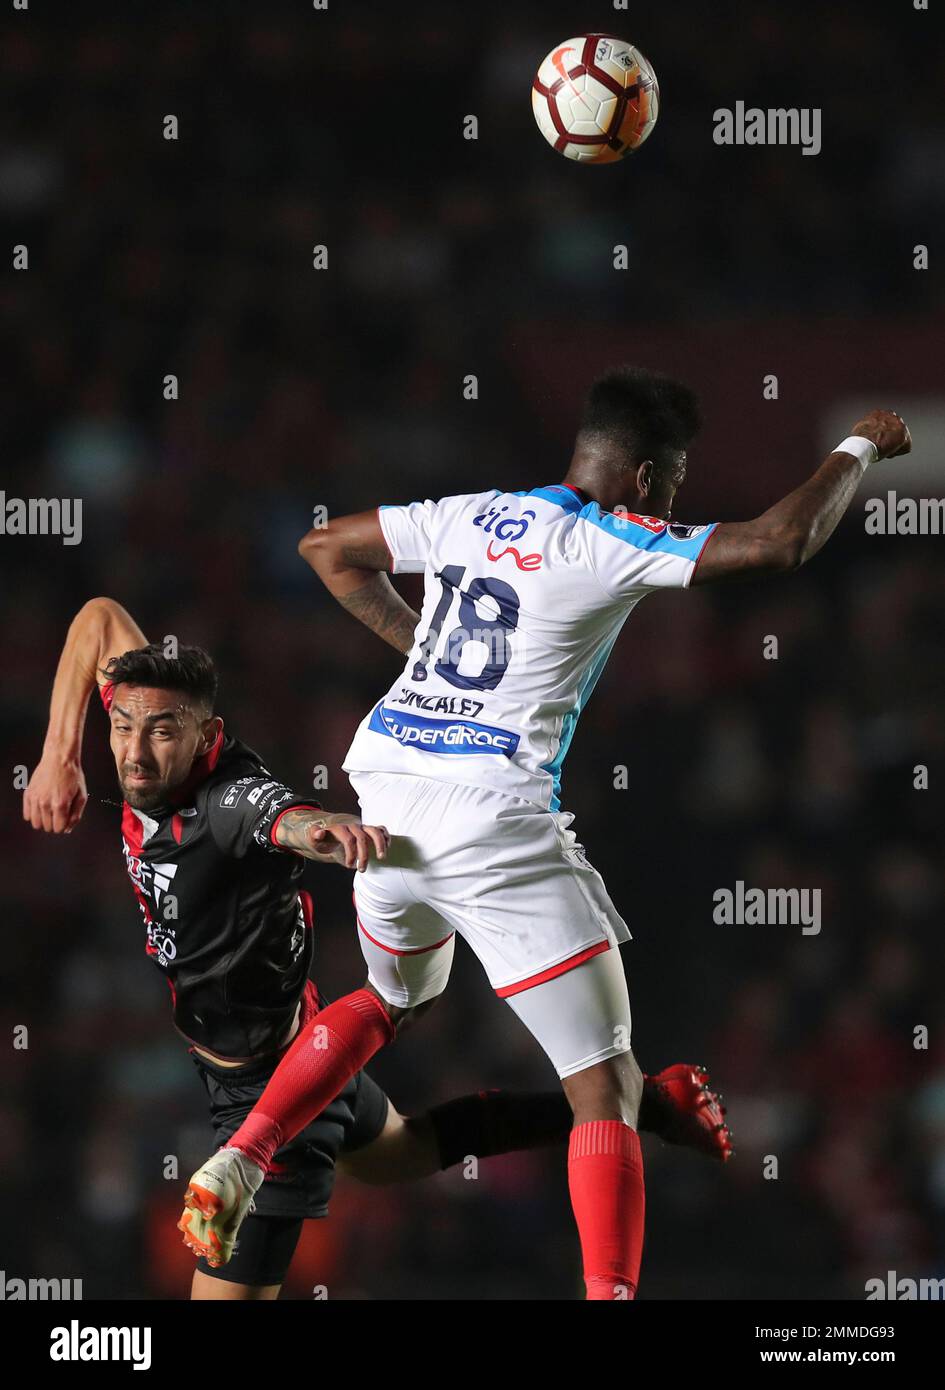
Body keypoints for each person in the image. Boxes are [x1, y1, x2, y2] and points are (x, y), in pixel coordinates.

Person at [192, 366, 902, 1300]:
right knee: (604, 1085)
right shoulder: (609, 536)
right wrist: (861, 446)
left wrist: (426, 654)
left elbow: (324, 546)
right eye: (674, 485)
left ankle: (242, 1154)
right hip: (488, 813)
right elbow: (781, 542)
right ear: (648, 480)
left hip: (387, 793)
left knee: (389, 994)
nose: (672, 501)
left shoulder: (473, 511)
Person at [24, 595, 731, 1299]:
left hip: (271, 1094)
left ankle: (625, 1108)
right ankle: (640, 1104)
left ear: (206, 732)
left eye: (160, 732)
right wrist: (61, 755)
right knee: (402, 1152)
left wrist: (328, 831)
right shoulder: (153, 730)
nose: (136, 753)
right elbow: (96, 617)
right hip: (304, 1048)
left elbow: (289, 821)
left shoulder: (229, 803)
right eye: (121, 728)